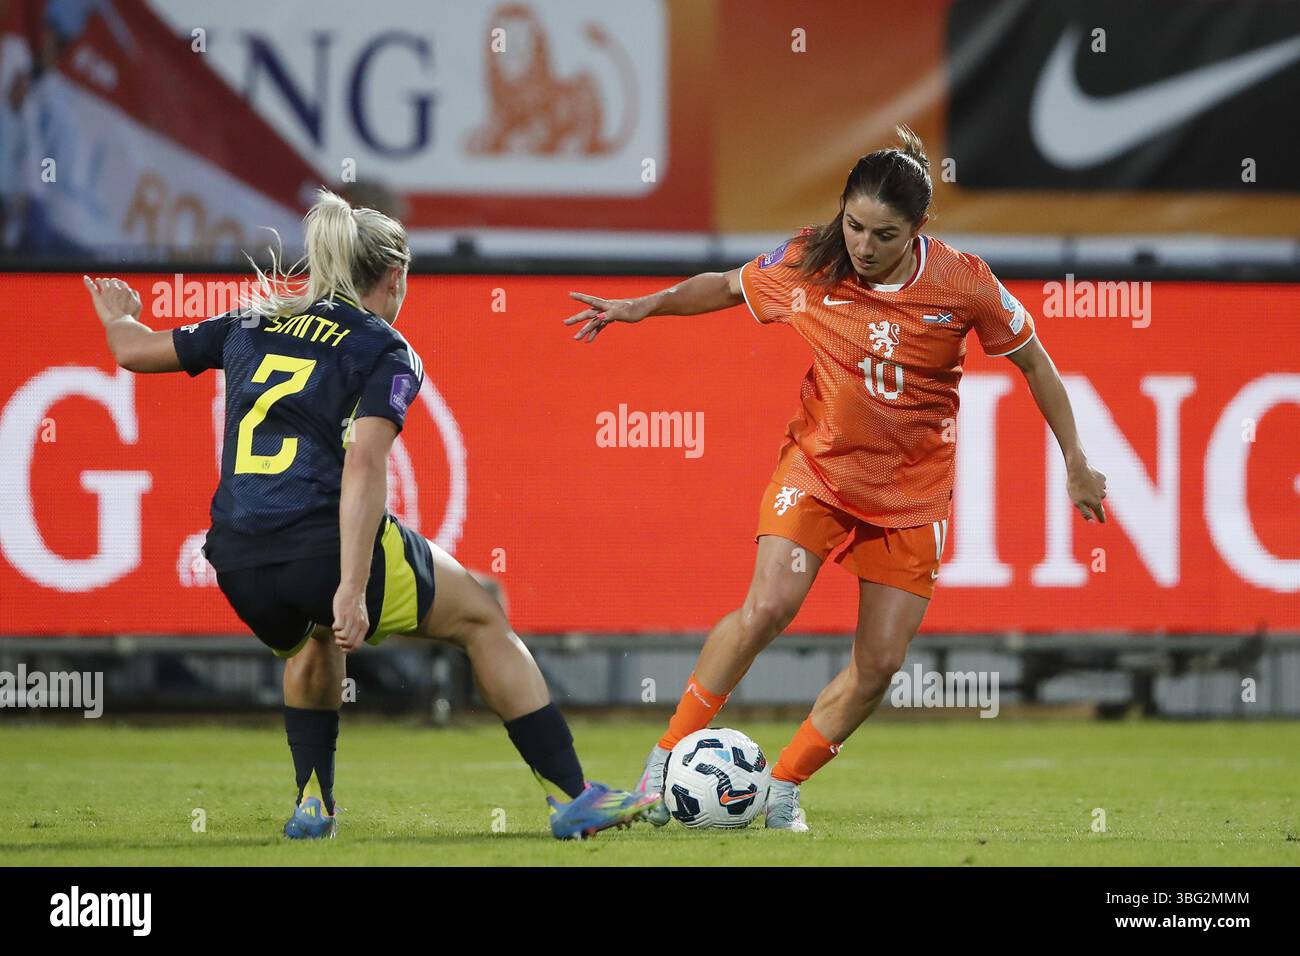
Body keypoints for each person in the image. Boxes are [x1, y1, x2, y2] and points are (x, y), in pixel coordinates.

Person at [562, 126, 1108, 831]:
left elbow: (1036, 361)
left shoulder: (964, 282)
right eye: (854, 224)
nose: (863, 244)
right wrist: (646, 306)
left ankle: (784, 785)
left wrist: (1075, 459)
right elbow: (726, 286)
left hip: (911, 496)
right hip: (817, 471)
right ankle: (664, 759)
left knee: (879, 666)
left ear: (918, 230)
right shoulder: (812, 262)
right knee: (767, 608)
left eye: (883, 233)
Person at [85, 188, 660, 841]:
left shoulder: (252, 321)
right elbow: (364, 465)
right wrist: (352, 587)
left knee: (313, 638)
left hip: (237, 554)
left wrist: (115, 315)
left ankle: (313, 807)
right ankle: (574, 796)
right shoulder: (383, 347)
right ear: (395, 276)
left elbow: (134, 352)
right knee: (481, 615)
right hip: (316, 540)